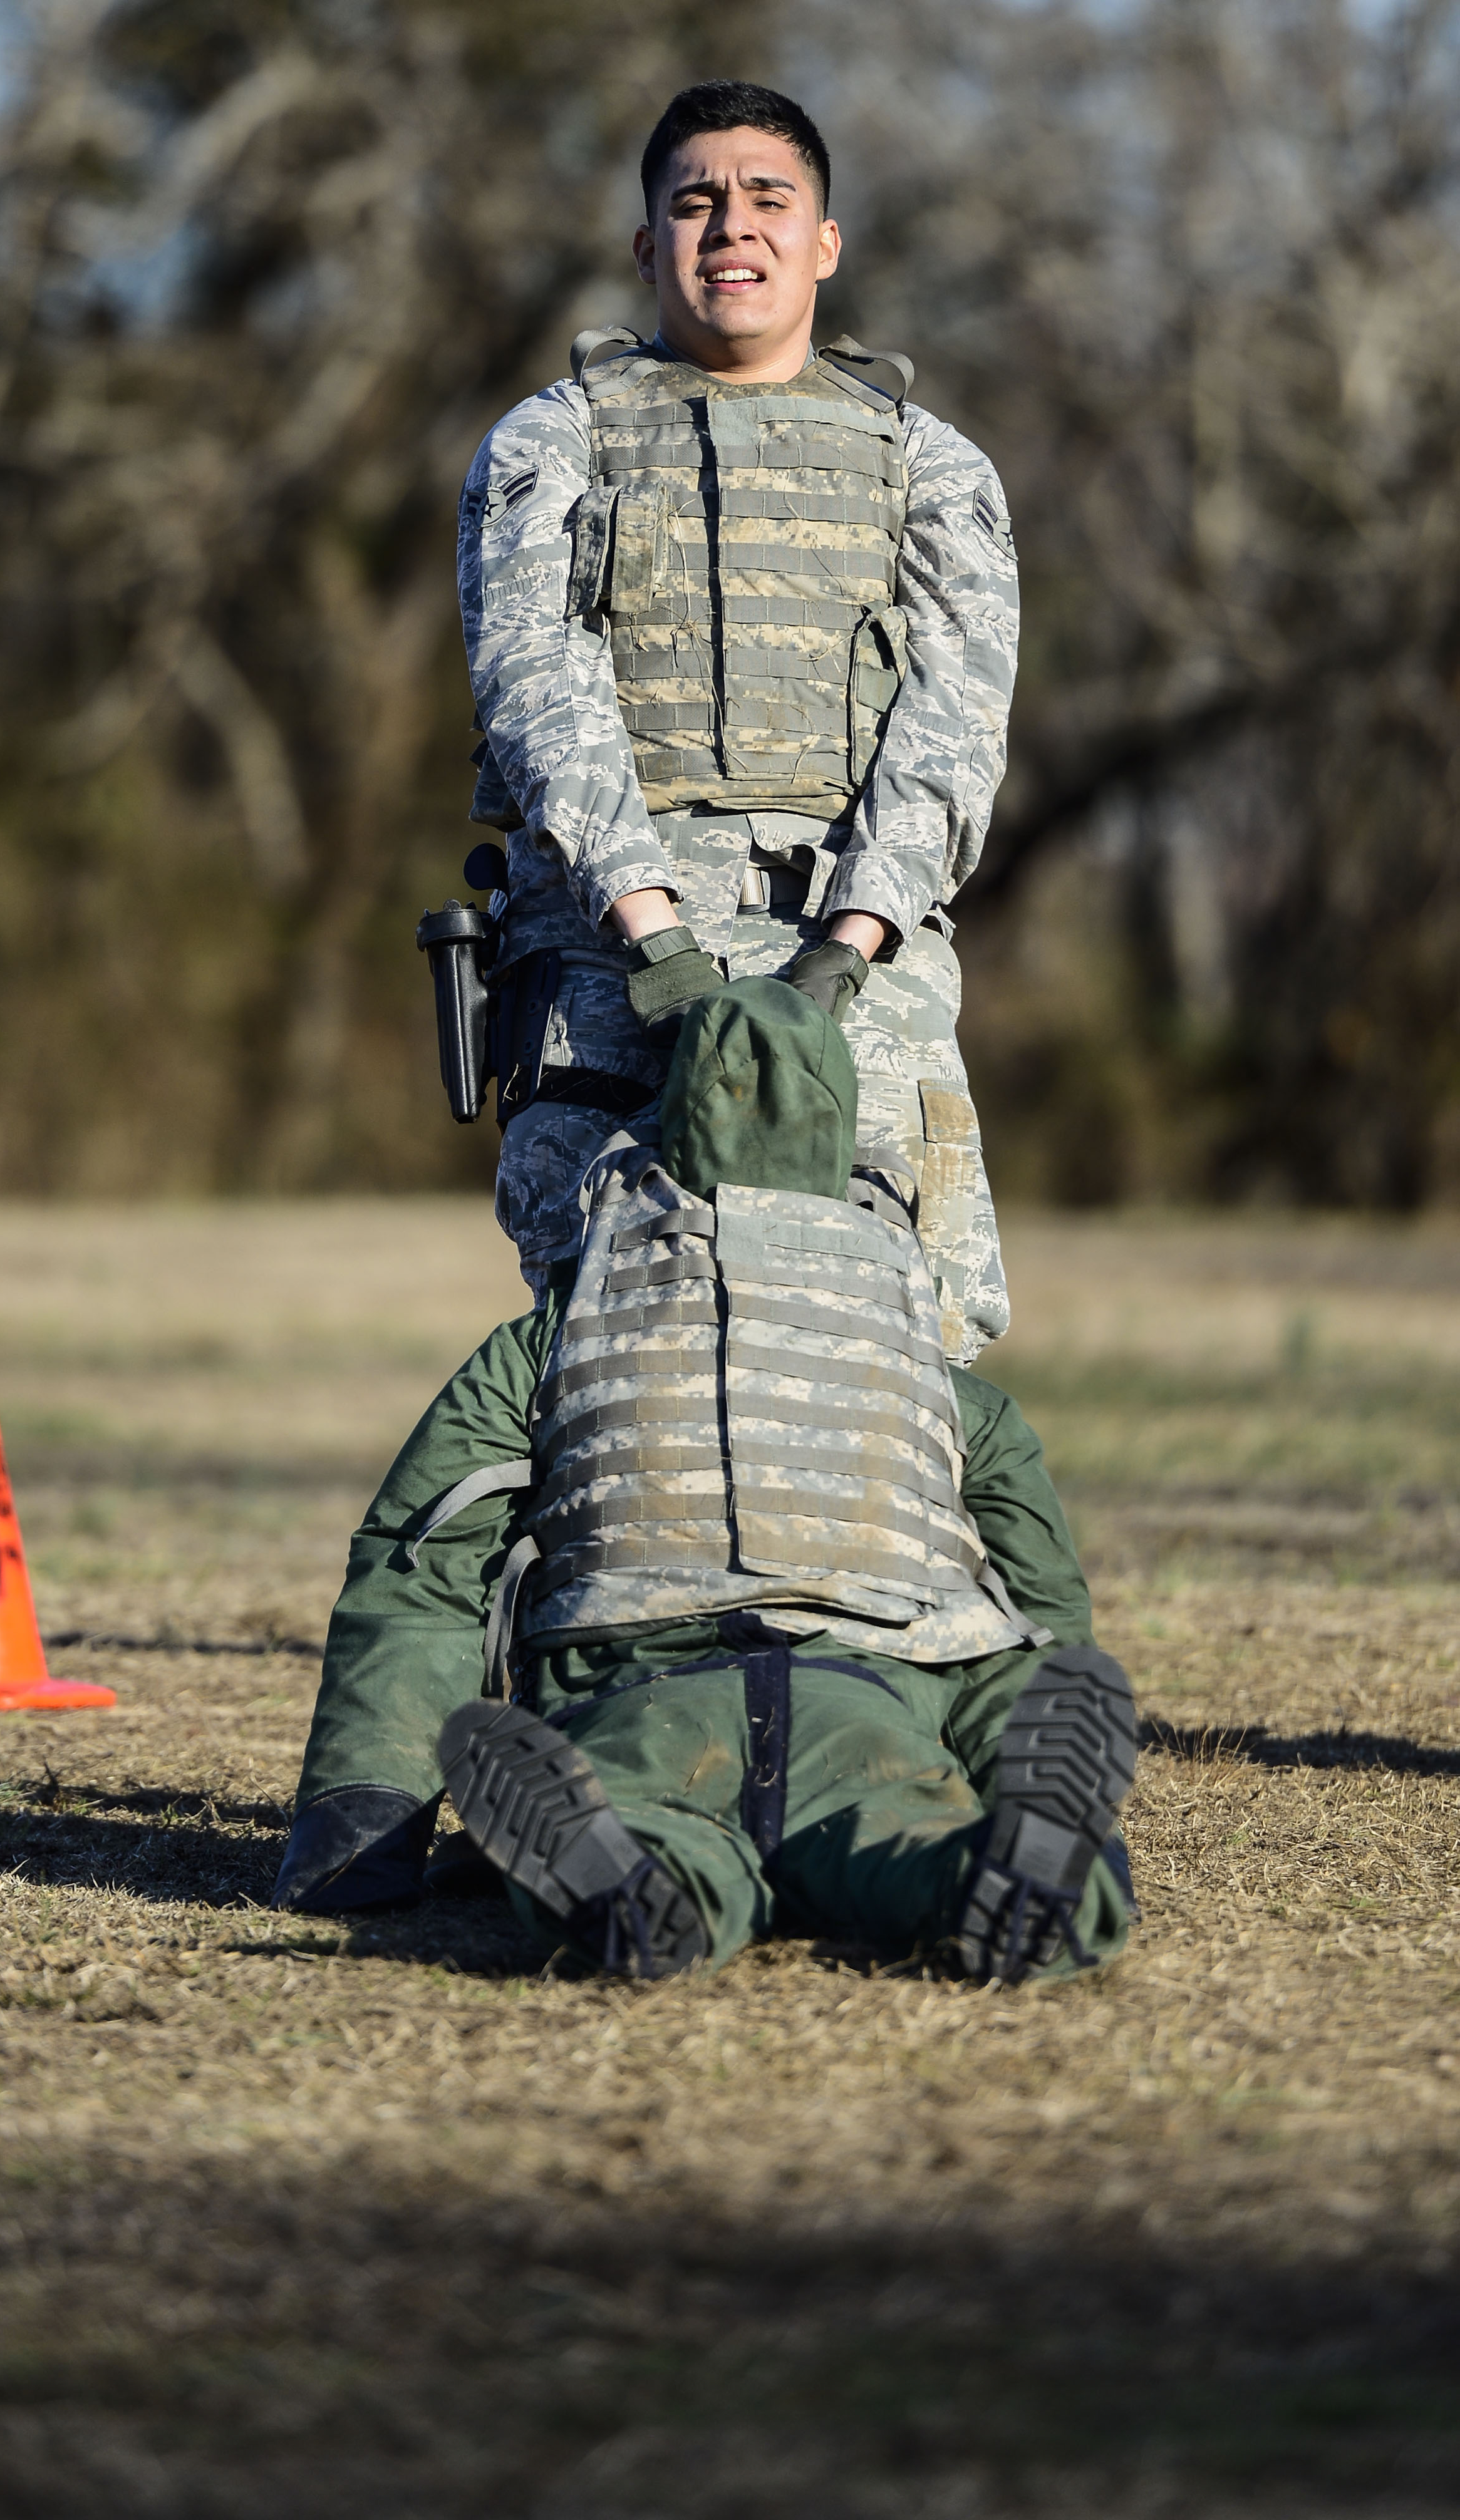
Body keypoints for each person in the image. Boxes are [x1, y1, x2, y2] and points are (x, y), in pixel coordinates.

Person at [271, 983, 1137, 1985]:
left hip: (640, 1697)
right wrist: (1009, 1741)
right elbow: (1040, 1611)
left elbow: (418, 1567)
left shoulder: (555, 1334)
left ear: (668, 1124)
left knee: (646, 1833)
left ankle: (641, 1884)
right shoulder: (927, 1362)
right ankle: (1018, 1869)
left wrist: (362, 1818)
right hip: (871, 1697)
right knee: (911, 1828)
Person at [460, 78, 1020, 1362]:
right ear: (647, 245)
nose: (732, 228)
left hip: (852, 947)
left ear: (824, 243)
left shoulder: (931, 466)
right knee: (606, 1319)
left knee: (906, 1317)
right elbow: (538, 691)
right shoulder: (552, 444)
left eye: (770, 201)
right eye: (695, 202)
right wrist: (649, 933)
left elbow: (953, 728)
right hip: (611, 953)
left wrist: (850, 946)